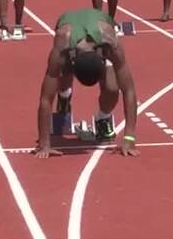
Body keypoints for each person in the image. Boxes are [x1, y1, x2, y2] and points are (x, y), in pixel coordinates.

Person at [34, 8, 139, 158]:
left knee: (112, 88)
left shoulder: (110, 44)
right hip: (69, 25)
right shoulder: (63, 42)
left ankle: (103, 117)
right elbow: (46, 98)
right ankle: (65, 96)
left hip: (99, 31)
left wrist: (129, 138)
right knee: (61, 80)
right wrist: (44, 144)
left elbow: (129, 90)